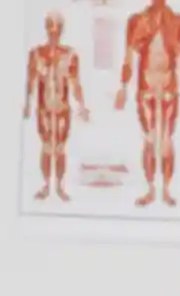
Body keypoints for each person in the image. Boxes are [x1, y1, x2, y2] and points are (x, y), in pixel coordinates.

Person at [115, 0, 180, 208]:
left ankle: (166, 189)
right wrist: (123, 88)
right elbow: (128, 58)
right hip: (146, 86)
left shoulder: (179, 22)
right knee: (149, 139)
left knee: (165, 141)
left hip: (168, 87)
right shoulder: (137, 21)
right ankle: (151, 188)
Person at [24, 11, 90, 203]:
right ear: (46, 29)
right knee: (46, 147)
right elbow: (31, 81)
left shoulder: (69, 55)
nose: (54, 32)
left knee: (60, 148)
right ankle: (46, 185)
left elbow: (76, 83)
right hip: (44, 108)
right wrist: (28, 104)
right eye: (51, 28)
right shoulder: (37, 54)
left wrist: (82, 106)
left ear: (61, 31)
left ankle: (59, 186)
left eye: (57, 28)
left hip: (62, 109)